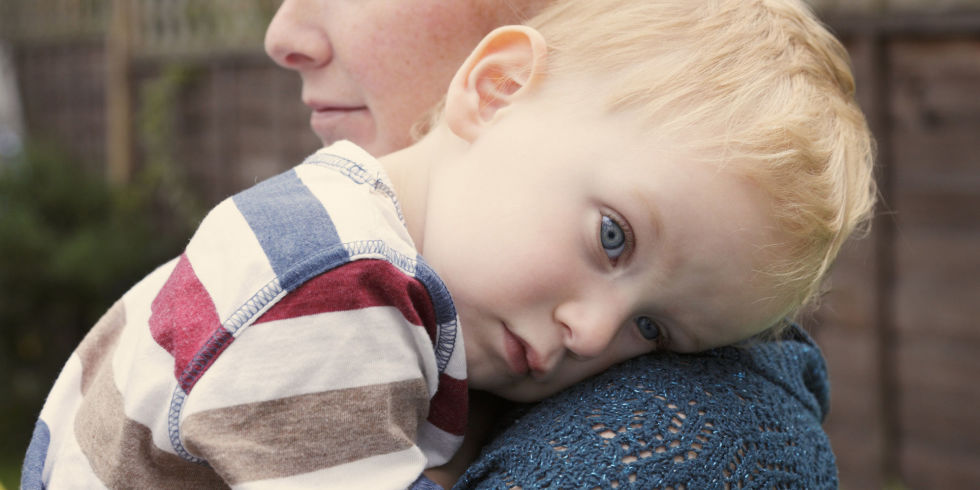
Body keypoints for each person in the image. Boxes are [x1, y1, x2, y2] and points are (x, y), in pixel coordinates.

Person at [24, 0, 875, 488]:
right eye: (612, 238)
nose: (594, 335)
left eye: (653, 332)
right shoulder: (331, 287)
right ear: (498, 88)